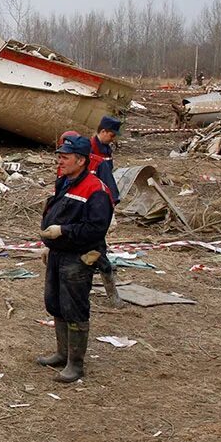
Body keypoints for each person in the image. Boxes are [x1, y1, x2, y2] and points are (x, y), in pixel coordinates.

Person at [37, 135, 113, 383]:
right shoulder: (64, 182)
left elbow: (95, 229)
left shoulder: (96, 190)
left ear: (81, 160)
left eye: (65, 157)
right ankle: (62, 353)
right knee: (55, 303)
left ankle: (75, 365)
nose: (60, 160)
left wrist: (63, 232)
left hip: (79, 257)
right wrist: (50, 244)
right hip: (59, 253)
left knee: (75, 308)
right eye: (59, 155)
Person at [88, 117, 123, 306]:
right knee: (97, 245)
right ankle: (112, 294)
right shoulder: (88, 150)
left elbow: (108, 178)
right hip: (92, 204)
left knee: (98, 241)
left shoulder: (106, 150)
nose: (113, 139)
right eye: (111, 135)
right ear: (103, 131)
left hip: (103, 201)